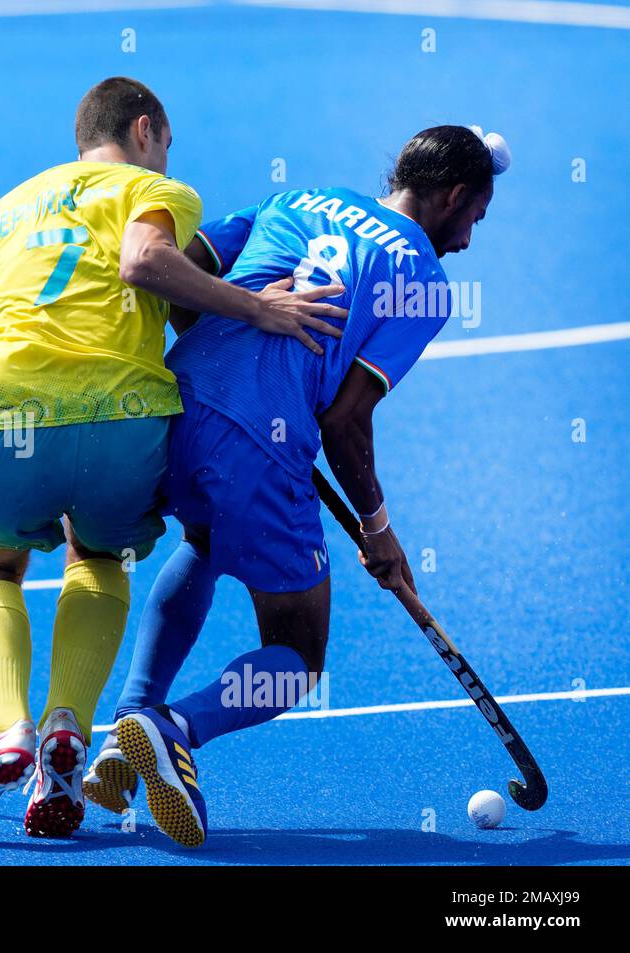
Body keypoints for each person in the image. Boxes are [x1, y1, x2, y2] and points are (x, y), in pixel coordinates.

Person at [0, 76, 345, 837]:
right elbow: (146, 263)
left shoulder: (5, 210)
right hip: (126, 421)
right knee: (99, 558)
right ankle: (66, 726)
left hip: (11, 421)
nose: (169, 160)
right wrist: (258, 307)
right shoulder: (153, 189)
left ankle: (6, 730)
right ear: (147, 129)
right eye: (168, 144)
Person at [82, 125, 510, 847]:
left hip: (177, 404)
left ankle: (127, 726)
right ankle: (171, 725)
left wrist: (234, 368)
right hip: (260, 442)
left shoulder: (298, 197)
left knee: (206, 539)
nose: (467, 240)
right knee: (298, 654)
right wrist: (378, 531)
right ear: (455, 195)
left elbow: (181, 268)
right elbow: (346, 422)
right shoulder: (423, 279)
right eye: (474, 220)